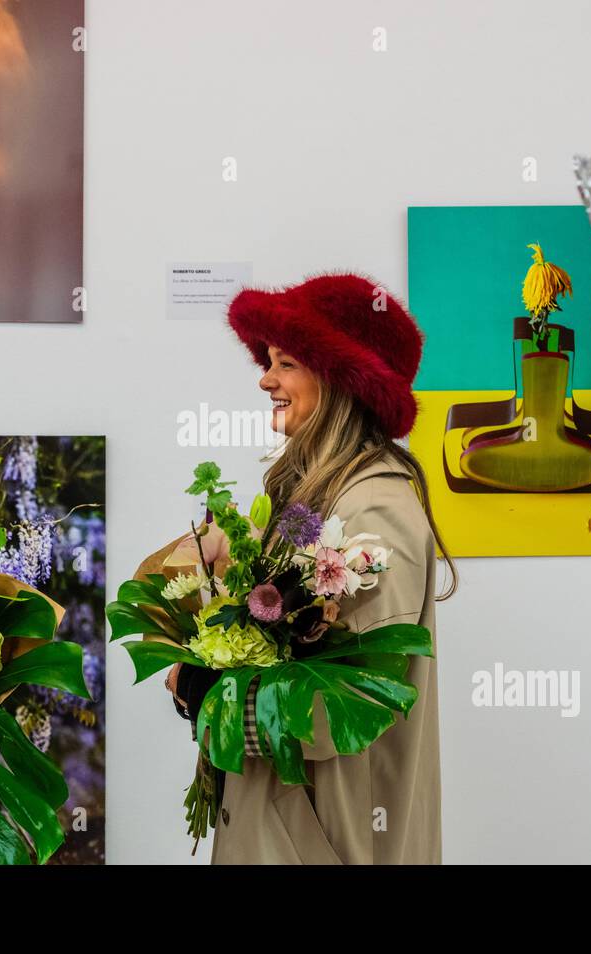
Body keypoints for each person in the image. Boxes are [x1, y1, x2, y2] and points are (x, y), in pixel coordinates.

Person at [164, 272, 457, 864]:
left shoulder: (374, 510)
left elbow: (346, 703)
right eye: (269, 361)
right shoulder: (320, 498)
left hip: (329, 843)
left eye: (287, 363)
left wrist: (200, 690)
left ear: (342, 383)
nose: (265, 379)